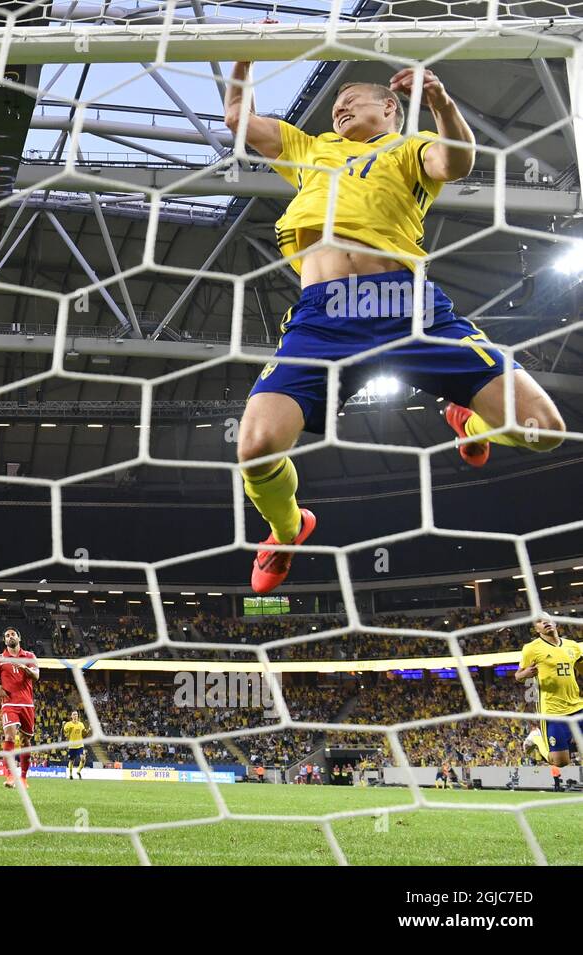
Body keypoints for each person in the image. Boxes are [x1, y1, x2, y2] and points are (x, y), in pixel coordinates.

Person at [223, 60, 565, 594]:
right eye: (335, 103)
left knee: (543, 429)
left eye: (351, 98)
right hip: (325, 318)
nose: (338, 107)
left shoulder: (411, 148)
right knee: (255, 445)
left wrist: (442, 103)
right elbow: (239, 117)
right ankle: (287, 529)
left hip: (409, 310)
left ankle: (469, 423)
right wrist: (244, 59)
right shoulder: (311, 150)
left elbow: (456, 162)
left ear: (389, 108)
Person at [516, 617, 582, 791]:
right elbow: (518, 675)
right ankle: (536, 738)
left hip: (577, 706)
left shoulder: (572, 646)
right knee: (560, 762)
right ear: (536, 629)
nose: (545, 622)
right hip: (552, 711)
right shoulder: (531, 649)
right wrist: (526, 674)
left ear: (555, 623)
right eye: (539, 621)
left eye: (547, 619)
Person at [0, 628, 38, 788]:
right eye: (7, 635)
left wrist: (26, 669)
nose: (10, 637)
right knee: (9, 737)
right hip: (9, 703)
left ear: (19, 637)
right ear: (5, 640)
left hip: (27, 703)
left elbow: (36, 676)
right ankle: (9, 776)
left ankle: (23, 778)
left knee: (26, 740)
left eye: (12, 634)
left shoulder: (30, 656)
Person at [62, 709, 86, 780]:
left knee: (83, 759)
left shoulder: (81, 724)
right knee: (71, 761)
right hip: (72, 746)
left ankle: (78, 771)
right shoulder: (68, 724)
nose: (76, 716)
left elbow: (83, 734)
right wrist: (63, 727)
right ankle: (70, 774)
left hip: (80, 745)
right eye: (74, 714)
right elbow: (65, 734)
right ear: (71, 716)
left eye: (76, 714)